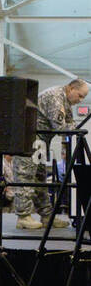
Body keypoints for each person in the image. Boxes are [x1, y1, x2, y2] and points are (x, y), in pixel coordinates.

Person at [13, 78, 90, 229]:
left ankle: (47, 216)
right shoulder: (55, 97)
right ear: (71, 88)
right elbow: (61, 127)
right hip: (29, 140)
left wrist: (75, 127)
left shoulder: (64, 100)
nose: (80, 100)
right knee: (26, 177)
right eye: (80, 96)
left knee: (40, 178)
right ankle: (23, 217)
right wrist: (76, 128)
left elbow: (70, 123)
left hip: (40, 142)